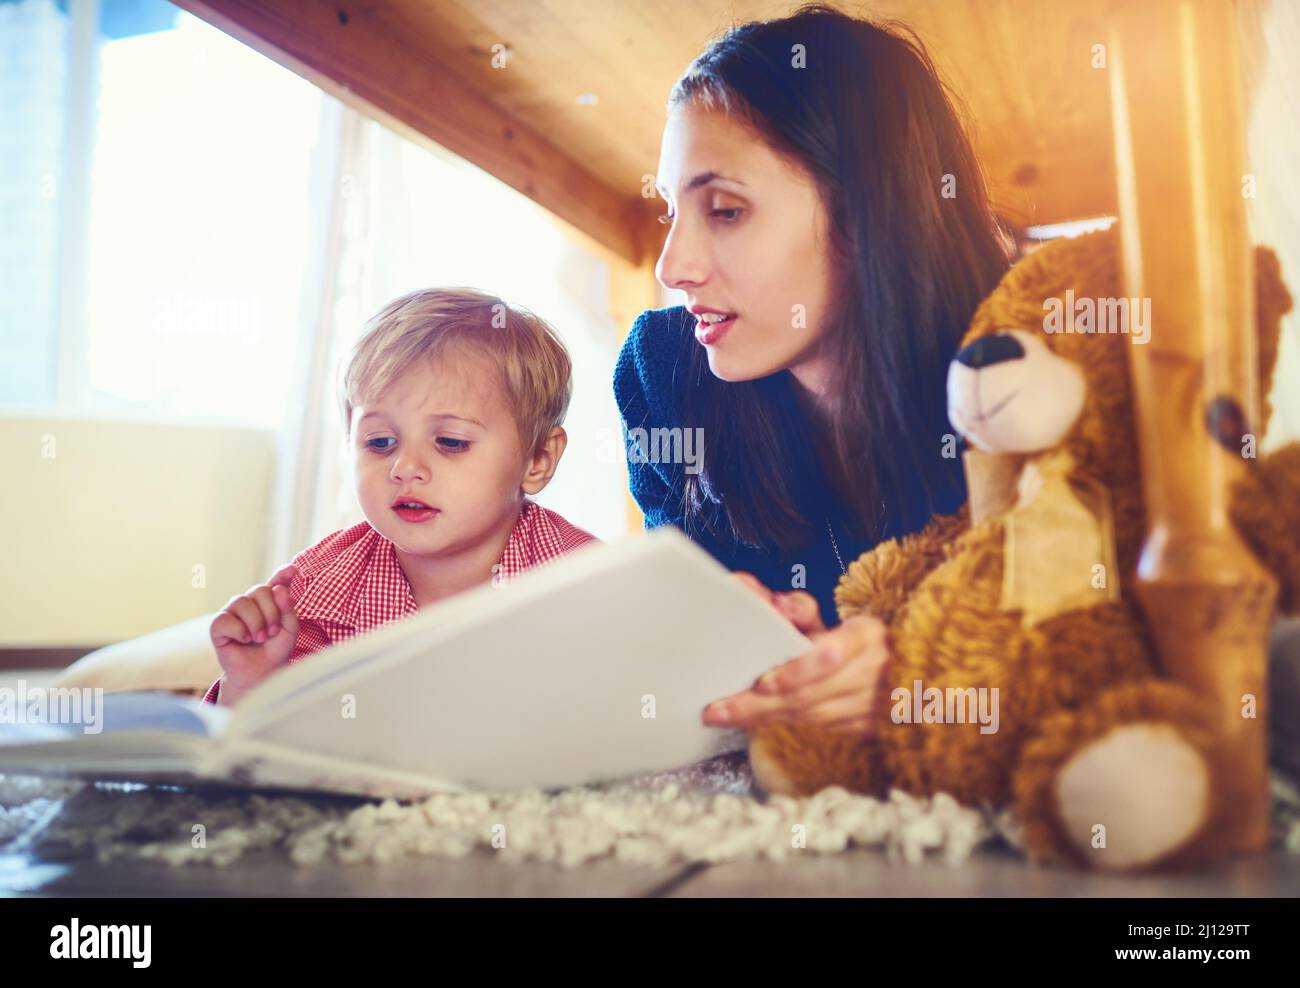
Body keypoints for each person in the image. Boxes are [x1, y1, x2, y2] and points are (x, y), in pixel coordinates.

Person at [613, 6, 1010, 737]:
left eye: (725, 210)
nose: (673, 266)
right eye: (673, 210)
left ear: (866, 215)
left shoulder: (1019, 369)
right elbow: (686, 651)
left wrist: (928, 675)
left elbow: (1092, 633)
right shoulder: (664, 372)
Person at [205, 288, 598, 706]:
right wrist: (249, 685)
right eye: (379, 442)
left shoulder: (587, 583)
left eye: (450, 441)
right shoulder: (314, 594)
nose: (405, 467)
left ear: (537, 459)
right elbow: (254, 760)